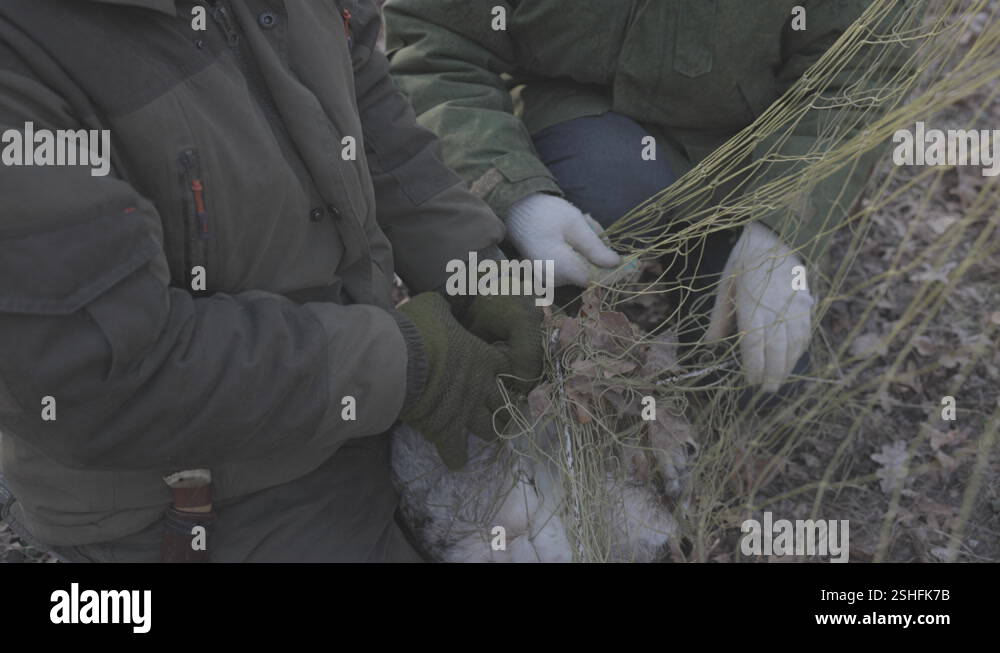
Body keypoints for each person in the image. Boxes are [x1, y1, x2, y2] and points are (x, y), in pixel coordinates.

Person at [0, 0, 542, 562]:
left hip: (365, 407)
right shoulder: (18, 56)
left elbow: (365, 98)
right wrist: (405, 361)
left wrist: (472, 265)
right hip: (204, 498)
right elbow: (94, 379)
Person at [384, 0, 908, 393]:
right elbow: (434, 46)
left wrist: (781, 230)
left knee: (761, 373)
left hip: (752, 148)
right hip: (584, 124)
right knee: (598, 208)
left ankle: (719, 266)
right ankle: (564, 341)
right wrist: (516, 195)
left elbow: (856, 79)